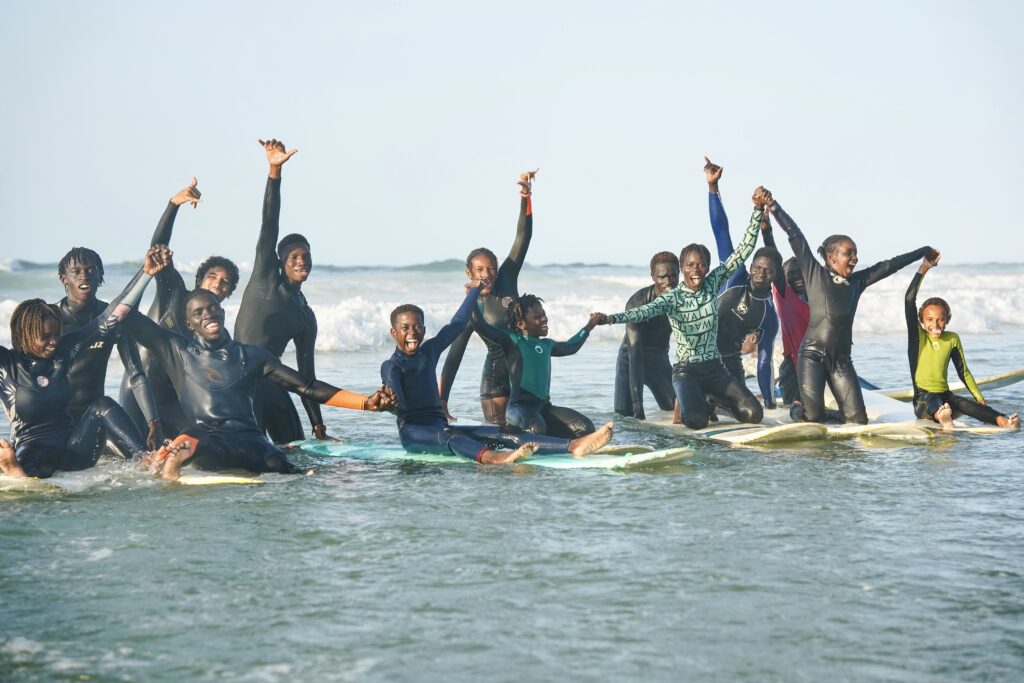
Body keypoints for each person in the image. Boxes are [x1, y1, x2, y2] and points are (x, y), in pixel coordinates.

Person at [124, 289, 394, 479]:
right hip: (207, 436)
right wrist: (147, 273)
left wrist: (366, 403)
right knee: (191, 446)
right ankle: (173, 462)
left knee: (289, 469)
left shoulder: (251, 356)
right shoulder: (176, 350)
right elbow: (126, 315)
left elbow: (306, 386)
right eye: (199, 312)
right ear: (189, 323)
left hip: (249, 439)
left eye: (213, 307)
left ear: (222, 311)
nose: (208, 314)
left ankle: (177, 456)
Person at [593, 188, 765, 431]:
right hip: (685, 371)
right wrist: (608, 319)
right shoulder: (672, 298)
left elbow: (742, 252)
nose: (696, 270)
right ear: (683, 269)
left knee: (753, 414)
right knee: (695, 420)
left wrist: (757, 211)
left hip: (714, 368)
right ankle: (699, 403)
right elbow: (640, 313)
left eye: (701, 265)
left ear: (707, 267)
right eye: (690, 265)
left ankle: (716, 400)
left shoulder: (713, 282)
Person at [382, 285, 613, 464]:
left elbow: (457, 323)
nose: (413, 332)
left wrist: (474, 290)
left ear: (423, 328)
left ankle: (573, 445)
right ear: (394, 333)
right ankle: (496, 460)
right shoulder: (391, 366)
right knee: (454, 439)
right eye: (405, 328)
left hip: (439, 425)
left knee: (504, 433)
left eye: (417, 326)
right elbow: (395, 401)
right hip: (414, 432)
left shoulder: (429, 352)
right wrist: (390, 402)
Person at [763, 188, 936, 424]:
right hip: (812, 356)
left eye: (855, 253)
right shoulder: (815, 274)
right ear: (832, 257)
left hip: (841, 359)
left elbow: (888, 266)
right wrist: (772, 204)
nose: (854, 258)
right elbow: (795, 234)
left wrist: (921, 252)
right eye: (849, 253)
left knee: (858, 421)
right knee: (812, 418)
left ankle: (833, 415)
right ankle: (797, 409)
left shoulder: (857, 282)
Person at [0, 248, 169, 479]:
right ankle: (15, 470)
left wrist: (145, 273)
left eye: (56, 335)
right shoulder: (6, 364)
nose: (53, 342)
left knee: (102, 404)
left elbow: (111, 316)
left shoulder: (64, 351)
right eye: (46, 337)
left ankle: (147, 459)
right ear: (25, 334)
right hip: (33, 450)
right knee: (29, 457)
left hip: (74, 449)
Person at [120, 178, 241, 437]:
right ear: (198, 280)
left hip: (173, 400)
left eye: (225, 283)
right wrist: (174, 204)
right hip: (140, 391)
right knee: (135, 458)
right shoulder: (175, 294)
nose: (217, 285)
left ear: (228, 294)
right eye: (212, 277)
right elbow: (157, 250)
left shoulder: (215, 331)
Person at [234, 138, 331, 443]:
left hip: (273, 382)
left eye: (306, 256)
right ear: (281, 261)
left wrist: (319, 427)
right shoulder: (266, 279)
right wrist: (274, 172)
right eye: (294, 257)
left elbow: (306, 377)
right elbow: (269, 224)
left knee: (297, 446)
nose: (302, 261)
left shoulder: (305, 315)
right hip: (239, 380)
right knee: (260, 451)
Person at [439, 170, 537, 426]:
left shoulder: (506, 279)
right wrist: (442, 402)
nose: (487, 275)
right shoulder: (470, 310)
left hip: (526, 374)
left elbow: (522, 238)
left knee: (533, 426)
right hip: (496, 381)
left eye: (490, 268)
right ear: (469, 273)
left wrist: (526, 196)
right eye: (480, 270)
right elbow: (453, 358)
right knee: (501, 436)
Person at [52, 246, 162, 450]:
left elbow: (136, 375)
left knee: (140, 457)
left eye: (91, 270)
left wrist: (153, 421)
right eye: (76, 272)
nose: (84, 276)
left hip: (97, 416)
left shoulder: (112, 319)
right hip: (57, 421)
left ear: (100, 274)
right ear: (63, 279)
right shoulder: (50, 320)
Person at [905, 253, 1019, 430]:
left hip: (945, 396)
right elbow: (909, 300)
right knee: (933, 400)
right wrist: (923, 269)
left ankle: (1004, 421)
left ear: (947, 320)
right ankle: (944, 419)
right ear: (922, 320)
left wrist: (979, 398)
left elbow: (963, 372)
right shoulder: (918, 337)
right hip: (923, 400)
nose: (935, 324)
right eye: (929, 319)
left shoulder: (952, 339)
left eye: (940, 319)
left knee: (964, 403)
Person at [704, 157, 781, 408]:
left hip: (731, 364)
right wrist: (713, 189)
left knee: (748, 409)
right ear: (750, 268)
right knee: (703, 409)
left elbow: (765, 361)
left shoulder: (768, 314)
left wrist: (769, 403)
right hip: (700, 359)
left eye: (768, 271)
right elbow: (721, 232)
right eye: (757, 268)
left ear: (774, 276)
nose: (761, 273)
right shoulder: (735, 275)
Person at [474, 294, 606, 438]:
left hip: (543, 407)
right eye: (537, 316)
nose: (544, 318)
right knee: (536, 429)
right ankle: (513, 437)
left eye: (543, 314)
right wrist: (474, 297)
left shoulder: (547, 345)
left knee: (585, 427)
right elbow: (479, 325)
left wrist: (590, 325)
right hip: (519, 408)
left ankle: (562, 446)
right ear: (521, 324)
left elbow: (571, 346)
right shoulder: (513, 342)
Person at [613, 251, 679, 419]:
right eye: (662, 277)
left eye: (673, 276)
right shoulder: (637, 303)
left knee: (677, 410)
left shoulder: (684, 300)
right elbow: (635, 352)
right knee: (625, 418)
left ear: (680, 273)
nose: (668, 282)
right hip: (630, 361)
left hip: (658, 361)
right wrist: (637, 403)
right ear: (652, 276)